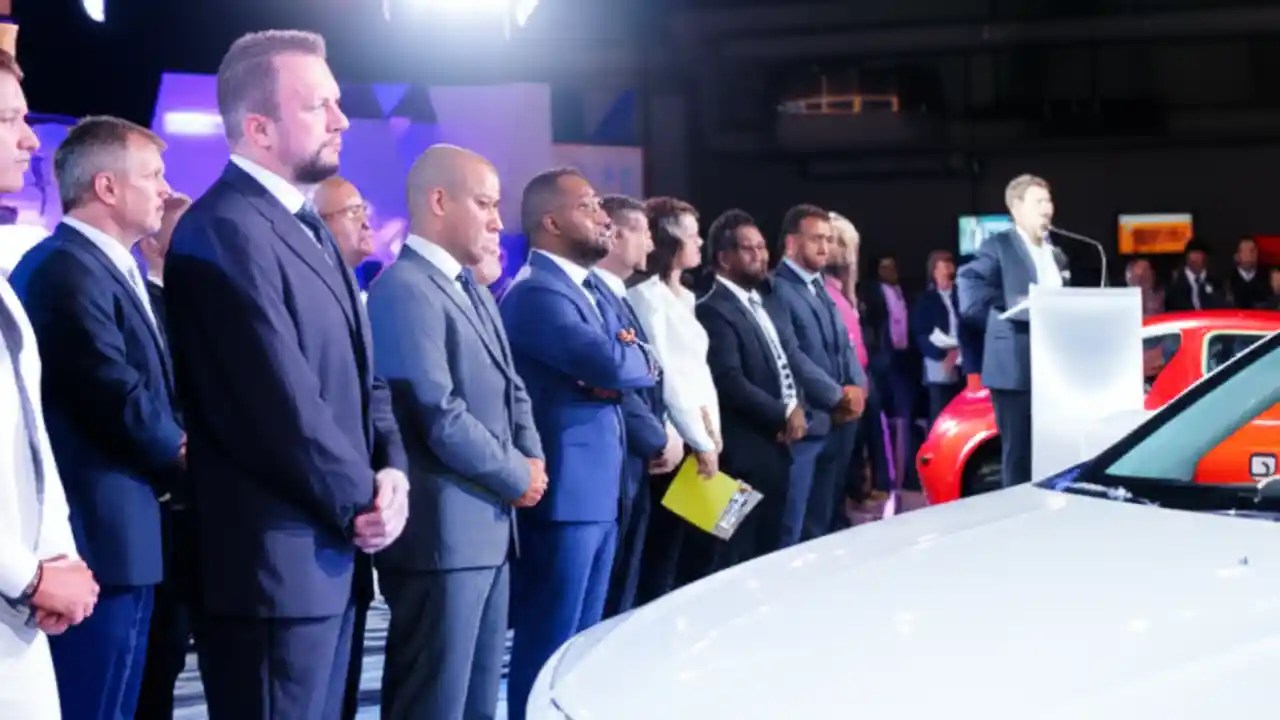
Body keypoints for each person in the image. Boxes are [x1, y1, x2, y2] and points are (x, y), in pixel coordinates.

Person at [163, 30, 408, 720]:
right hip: (271, 570)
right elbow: (276, 405)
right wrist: (365, 497)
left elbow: (367, 380)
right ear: (259, 127)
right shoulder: (224, 229)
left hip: (329, 560)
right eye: (319, 105)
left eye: (338, 102)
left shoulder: (305, 226)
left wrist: (393, 474)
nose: (341, 119)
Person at [10, 115, 182, 720]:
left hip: (128, 534)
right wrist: (191, 452)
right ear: (107, 187)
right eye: (153, 175)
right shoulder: (63, 266)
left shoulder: (112, 265)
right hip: (94, 538)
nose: (166, 188)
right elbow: (113, 393)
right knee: (95, 704)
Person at [368, 144, 546, 720]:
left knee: (474, 703)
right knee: (434, 703)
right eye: (485, 203)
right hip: (442, 537)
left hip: (487, 527)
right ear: (439, 201)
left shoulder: (470, 286)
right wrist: (517, 472)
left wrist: (533, 460)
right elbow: (434, 411)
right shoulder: (404, 288)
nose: (499, 220)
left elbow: (512, 385)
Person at [500, 168, 655, 720]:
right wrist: (621, 364)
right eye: (588, 206)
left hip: (599, 492)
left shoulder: (585, 290)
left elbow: (643, 360)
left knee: (582, 646)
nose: (603, 217)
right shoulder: (537, 292)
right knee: (548, 644)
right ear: (551, 221)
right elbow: (615, 361)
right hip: (565, 497)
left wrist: (623, 364)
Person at [0, 47, 100, 720]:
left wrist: (57, 554)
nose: (31, 139)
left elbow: (28, 436)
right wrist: (30, 574)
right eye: (8, 119)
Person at [695, 209, 809, 566]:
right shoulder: (712, 310)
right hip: (740, 457)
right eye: (749, 249)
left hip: (774, 450)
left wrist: (796, 405)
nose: (761, 255)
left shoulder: (761, 303)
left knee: (770, 552)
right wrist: (782, 413)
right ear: (723, 258)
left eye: (762, 247)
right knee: (734, 555)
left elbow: (784, 362)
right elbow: (729, 381)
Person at [628, 197, 722, 598]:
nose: (700, 242)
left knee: (710, 540)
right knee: (665, 553)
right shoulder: (647, 297)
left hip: (701, 437)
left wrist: (711, 434)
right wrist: (697, 440)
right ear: (668, 239)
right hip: (672, 441)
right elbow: (663, 373)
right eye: (691, 234)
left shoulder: (683, 296)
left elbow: (698, 373)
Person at [595, 194, 682, 617]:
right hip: (632, 456)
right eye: (644, 233)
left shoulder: (624, 297)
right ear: (616, 233)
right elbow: (621, 378)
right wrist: (659, 438)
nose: (651, 245)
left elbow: (650, 373)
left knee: (629, 586)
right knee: (614, 593)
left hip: (658, 451)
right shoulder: (607, 297)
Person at [957, 173, 1069, 488]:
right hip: (1014, 367)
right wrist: (1006, 314)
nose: (1048, 209)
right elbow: (969, 292)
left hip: (1054, 368)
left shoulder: (1057, 254)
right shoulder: (998, 246)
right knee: (1018, 453)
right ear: (1017, 208)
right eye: (1039, 202)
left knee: (1051, 451)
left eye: (1049, 201)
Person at [134, 193, 200, 720]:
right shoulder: (146, 305)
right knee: (154, 661)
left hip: (202, 512)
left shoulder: (197, 308)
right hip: (162, 504)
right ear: (154, 242)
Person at [770, 204, 866, 543]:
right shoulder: (777, 288)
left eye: (829, 239)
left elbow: (846, 346)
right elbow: (791, 354)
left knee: (821, 526)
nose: (825, 248)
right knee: (793, 527)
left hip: (836, 424)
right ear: (792, 244)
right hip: (806, 425)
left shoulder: (822, 288)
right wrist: (837, 395)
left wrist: (858, 387)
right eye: (817, 240)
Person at [913, 250, 964, 424]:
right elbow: (921, 334)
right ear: (934, 272)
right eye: (944, 268)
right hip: (939, 361)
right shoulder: (926, 300)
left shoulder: (961, 295)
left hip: (963, 359)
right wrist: (944, 354)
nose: (948, 272)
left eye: (950, 266)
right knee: (941, 414)